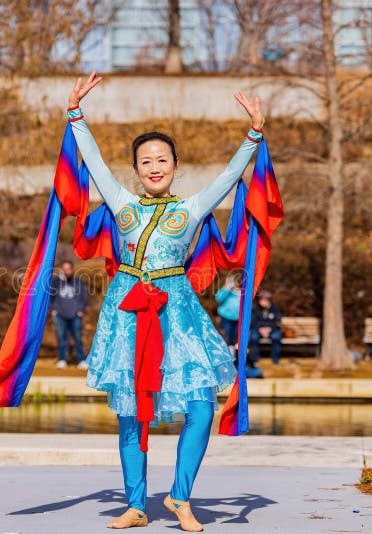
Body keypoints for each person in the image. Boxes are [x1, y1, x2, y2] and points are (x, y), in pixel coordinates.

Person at [68, 72, 264, 530]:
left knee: (201, 407)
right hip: (130, 310)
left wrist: (254, 133)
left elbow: (231, 176)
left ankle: (179, 496)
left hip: (178, 312)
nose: (154, 167)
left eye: (162, 159)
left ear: (175, 165)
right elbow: (93, 162)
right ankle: (136, 505)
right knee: (131, 409)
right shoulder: (121, 203)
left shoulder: (191, 208)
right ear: (135, 169)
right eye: (145, 161)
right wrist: (76, 114)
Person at [50, 260, 89, 370]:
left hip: (75, 315)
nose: (67, 271)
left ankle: (81, 360)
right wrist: (53, 309)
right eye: (65, 269)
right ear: (62, 270)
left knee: (77, 338)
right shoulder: (56, 282)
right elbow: (50, 296)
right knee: (62, 338)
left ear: (72, 269)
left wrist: (80, 310)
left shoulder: (78, 282)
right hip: (60, 315)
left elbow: (84, 297)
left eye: (69, 269)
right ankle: (62, 359)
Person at [248, 290, 283, 365]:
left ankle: (275, 359)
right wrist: (260, 329)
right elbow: (253, 322)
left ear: (268, 300)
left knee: (276, 337)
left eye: (263, 299)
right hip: (258, 330)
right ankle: (255, 359)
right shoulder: (256, 309)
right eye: (261, 299)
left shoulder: (275, 309)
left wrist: (269, 328)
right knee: (253, 337)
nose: (261, 301)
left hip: (272, 330)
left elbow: (278, 322)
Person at [215, 273, 242, 356]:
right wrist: (227, 288)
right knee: (227, 337)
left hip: (238, 318)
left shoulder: (242, 291)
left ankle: (237, 357)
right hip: (226, 317)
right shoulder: (225, 290)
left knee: (237, 338)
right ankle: (228, 355)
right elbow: (218, 298)